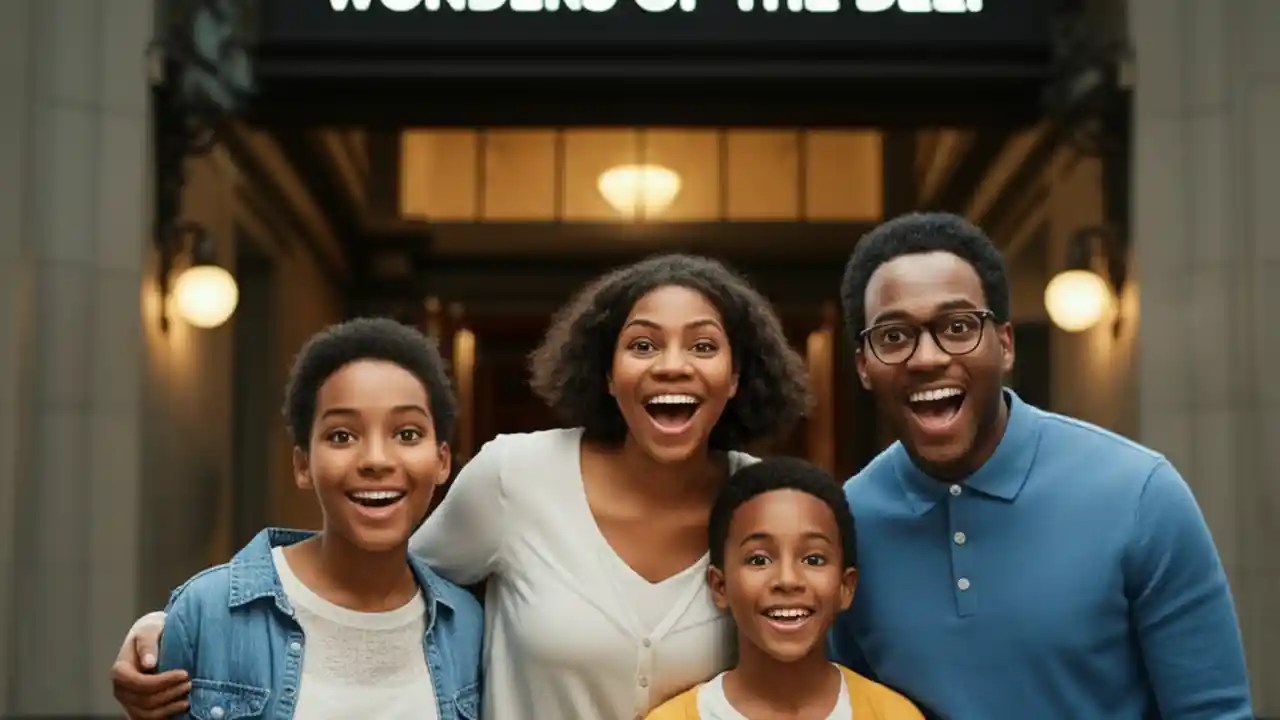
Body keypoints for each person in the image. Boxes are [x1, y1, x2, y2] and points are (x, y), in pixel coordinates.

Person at [110, 254, 811, 720]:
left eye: (703, 346)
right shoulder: (517, 477)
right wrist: (187, 628)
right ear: (606, 371)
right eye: (643, 344)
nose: (672, 366)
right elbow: (383, 581)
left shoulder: (767, 507)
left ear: (738, 376)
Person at [827, 211, 1254, 719]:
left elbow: (1213, 712)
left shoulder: (1140, 495)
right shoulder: (844, 523)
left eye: (958, 326)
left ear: (1004, 344)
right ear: (863, 367)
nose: (926, 358)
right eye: (894, 335)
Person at [131, 318, 484, 719]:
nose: (375, 460)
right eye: (341, 436)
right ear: (303, 465)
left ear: (441, 462)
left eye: (406, 434)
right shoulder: (207, 613)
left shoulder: (468, 628)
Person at [646, 457, 923, 720]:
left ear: (845, 587)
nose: (788, 580)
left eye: (813, 559)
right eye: (759, 559)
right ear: (720, 586)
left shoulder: (892, 714)